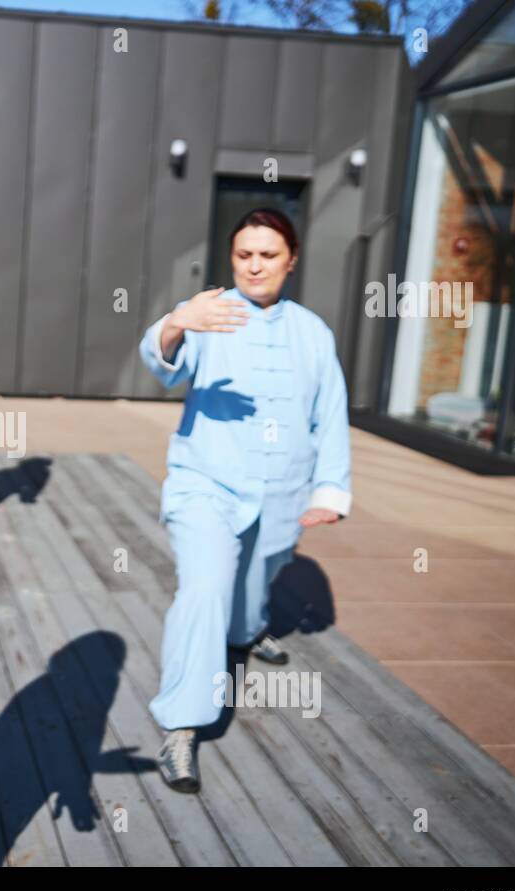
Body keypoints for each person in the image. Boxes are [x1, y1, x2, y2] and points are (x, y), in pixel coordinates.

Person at [137, 208, 352, 794]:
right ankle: (182, 725)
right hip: (206, 482)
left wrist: (330, 487)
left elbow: (329, 413)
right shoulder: (210, 313)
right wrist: (179, 320)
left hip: (283, 489)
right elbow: (161, 364)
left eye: (267, 254)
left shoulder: (312, 332)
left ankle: (248, 630)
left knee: (255, 585)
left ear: (292, 259)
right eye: (243, 254)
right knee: (204, 588)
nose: (254, 265)